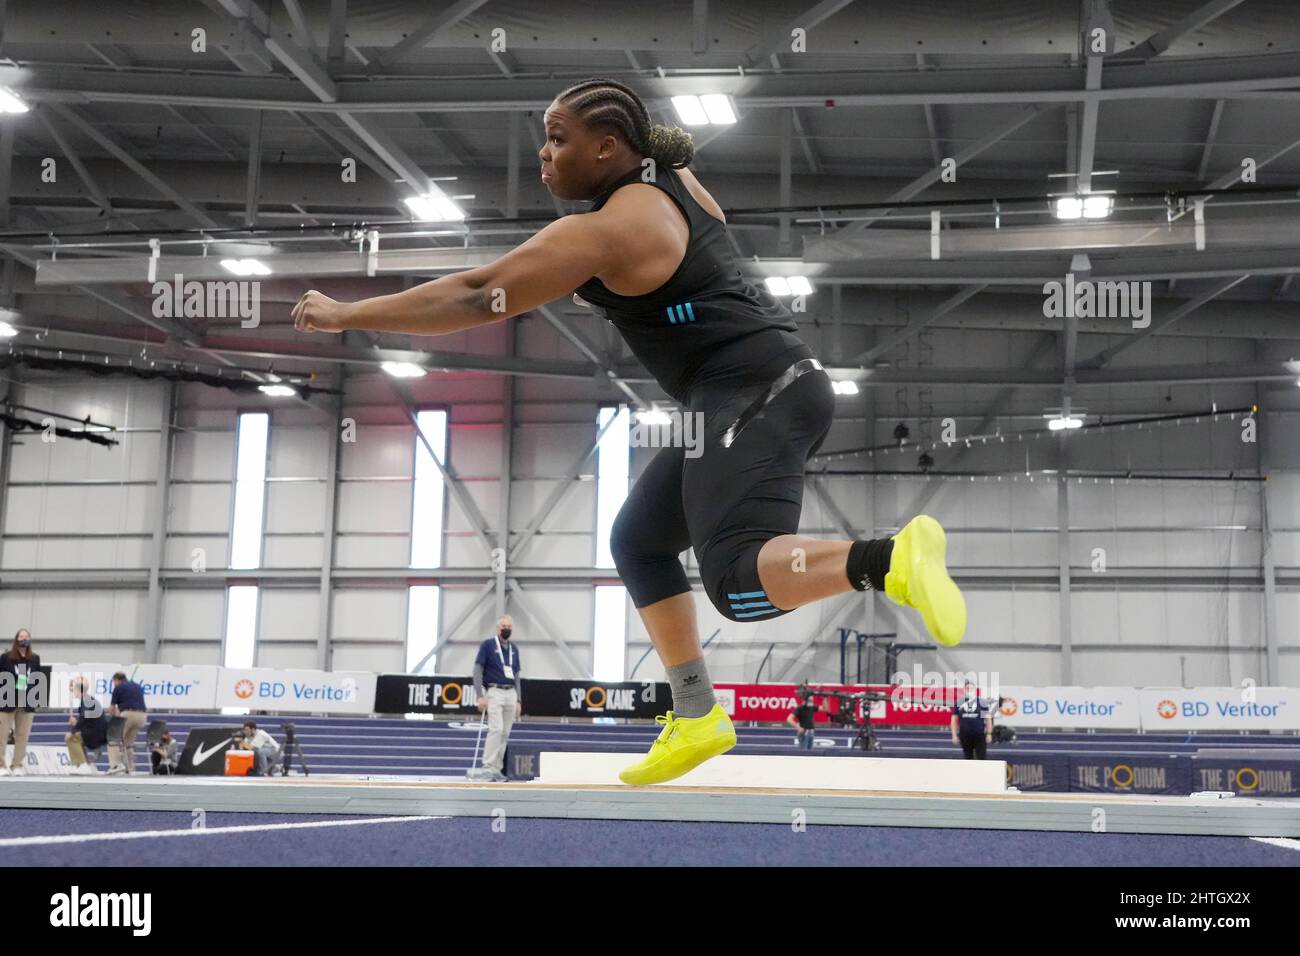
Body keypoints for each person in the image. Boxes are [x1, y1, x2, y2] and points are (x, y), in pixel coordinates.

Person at [291, 77, 967, 787]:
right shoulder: (667, 181)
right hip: (764, 388)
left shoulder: (609, 229)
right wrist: (662, 148)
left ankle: (887, 559)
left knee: (736, 585)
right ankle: (698, 712)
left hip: (751, 392)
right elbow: (683, 170)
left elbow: (475, 295)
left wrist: (348, 315)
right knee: (639, 541)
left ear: (608, 146)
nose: (544, 155)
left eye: (559, 139)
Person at [470, 616, 521, 783]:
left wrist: (519, 700)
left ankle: (497, 769)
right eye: (503, 626)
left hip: (510, 692)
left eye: (509, 626)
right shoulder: (488, 645)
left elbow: (517, 675)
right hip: (494, 691)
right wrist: (480, 695)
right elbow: (477, 670)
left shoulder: (514, 649)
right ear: (497, 628)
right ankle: (488, 767)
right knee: (496, 729)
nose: (506, 629)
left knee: (505, 732)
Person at [0, 629, 42, 776]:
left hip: (26, 701)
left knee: (22, 735)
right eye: (21, 636)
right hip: (8, 701)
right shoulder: (5, 658)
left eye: (26, 636)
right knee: (2, 734)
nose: (24, 639)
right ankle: (1, 765)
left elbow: (37, 678)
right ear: (16, 639)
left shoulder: (35, 659)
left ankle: (17, 764)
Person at [66, 677, 109, 775]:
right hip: (99, 733)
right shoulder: (89, 700)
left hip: (96, 735)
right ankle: (87, 765)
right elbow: (86, 720)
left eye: (75, 691)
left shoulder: (86, 701)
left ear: (79, 691)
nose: (74, 693)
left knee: (71, 738)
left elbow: (84, 718)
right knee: (77, 737)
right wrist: (76, 723)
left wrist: (72, 731)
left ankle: (81, 765)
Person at [107, 672, 148, 775]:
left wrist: (115, 718)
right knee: (128, 744)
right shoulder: (137, 686)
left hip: (128, 714)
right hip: (142, 716)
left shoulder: (118, 687)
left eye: (114, 682)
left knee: (113, 739)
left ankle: (116, 766)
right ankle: (130, 768)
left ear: (117, 680)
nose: (114, 684)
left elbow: (112, 709)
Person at [950, 681, 993, 760]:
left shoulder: (982, 702)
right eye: (967, 688)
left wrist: (989, 734)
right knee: (967, 757)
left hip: (979, 734)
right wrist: (954, 735)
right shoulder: (959, 703)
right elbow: (954, 720)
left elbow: (988, 719)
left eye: (971, 688)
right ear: (964, 690)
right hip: (965, 735)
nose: (969, 690)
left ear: (975, 689)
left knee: (981, 757)